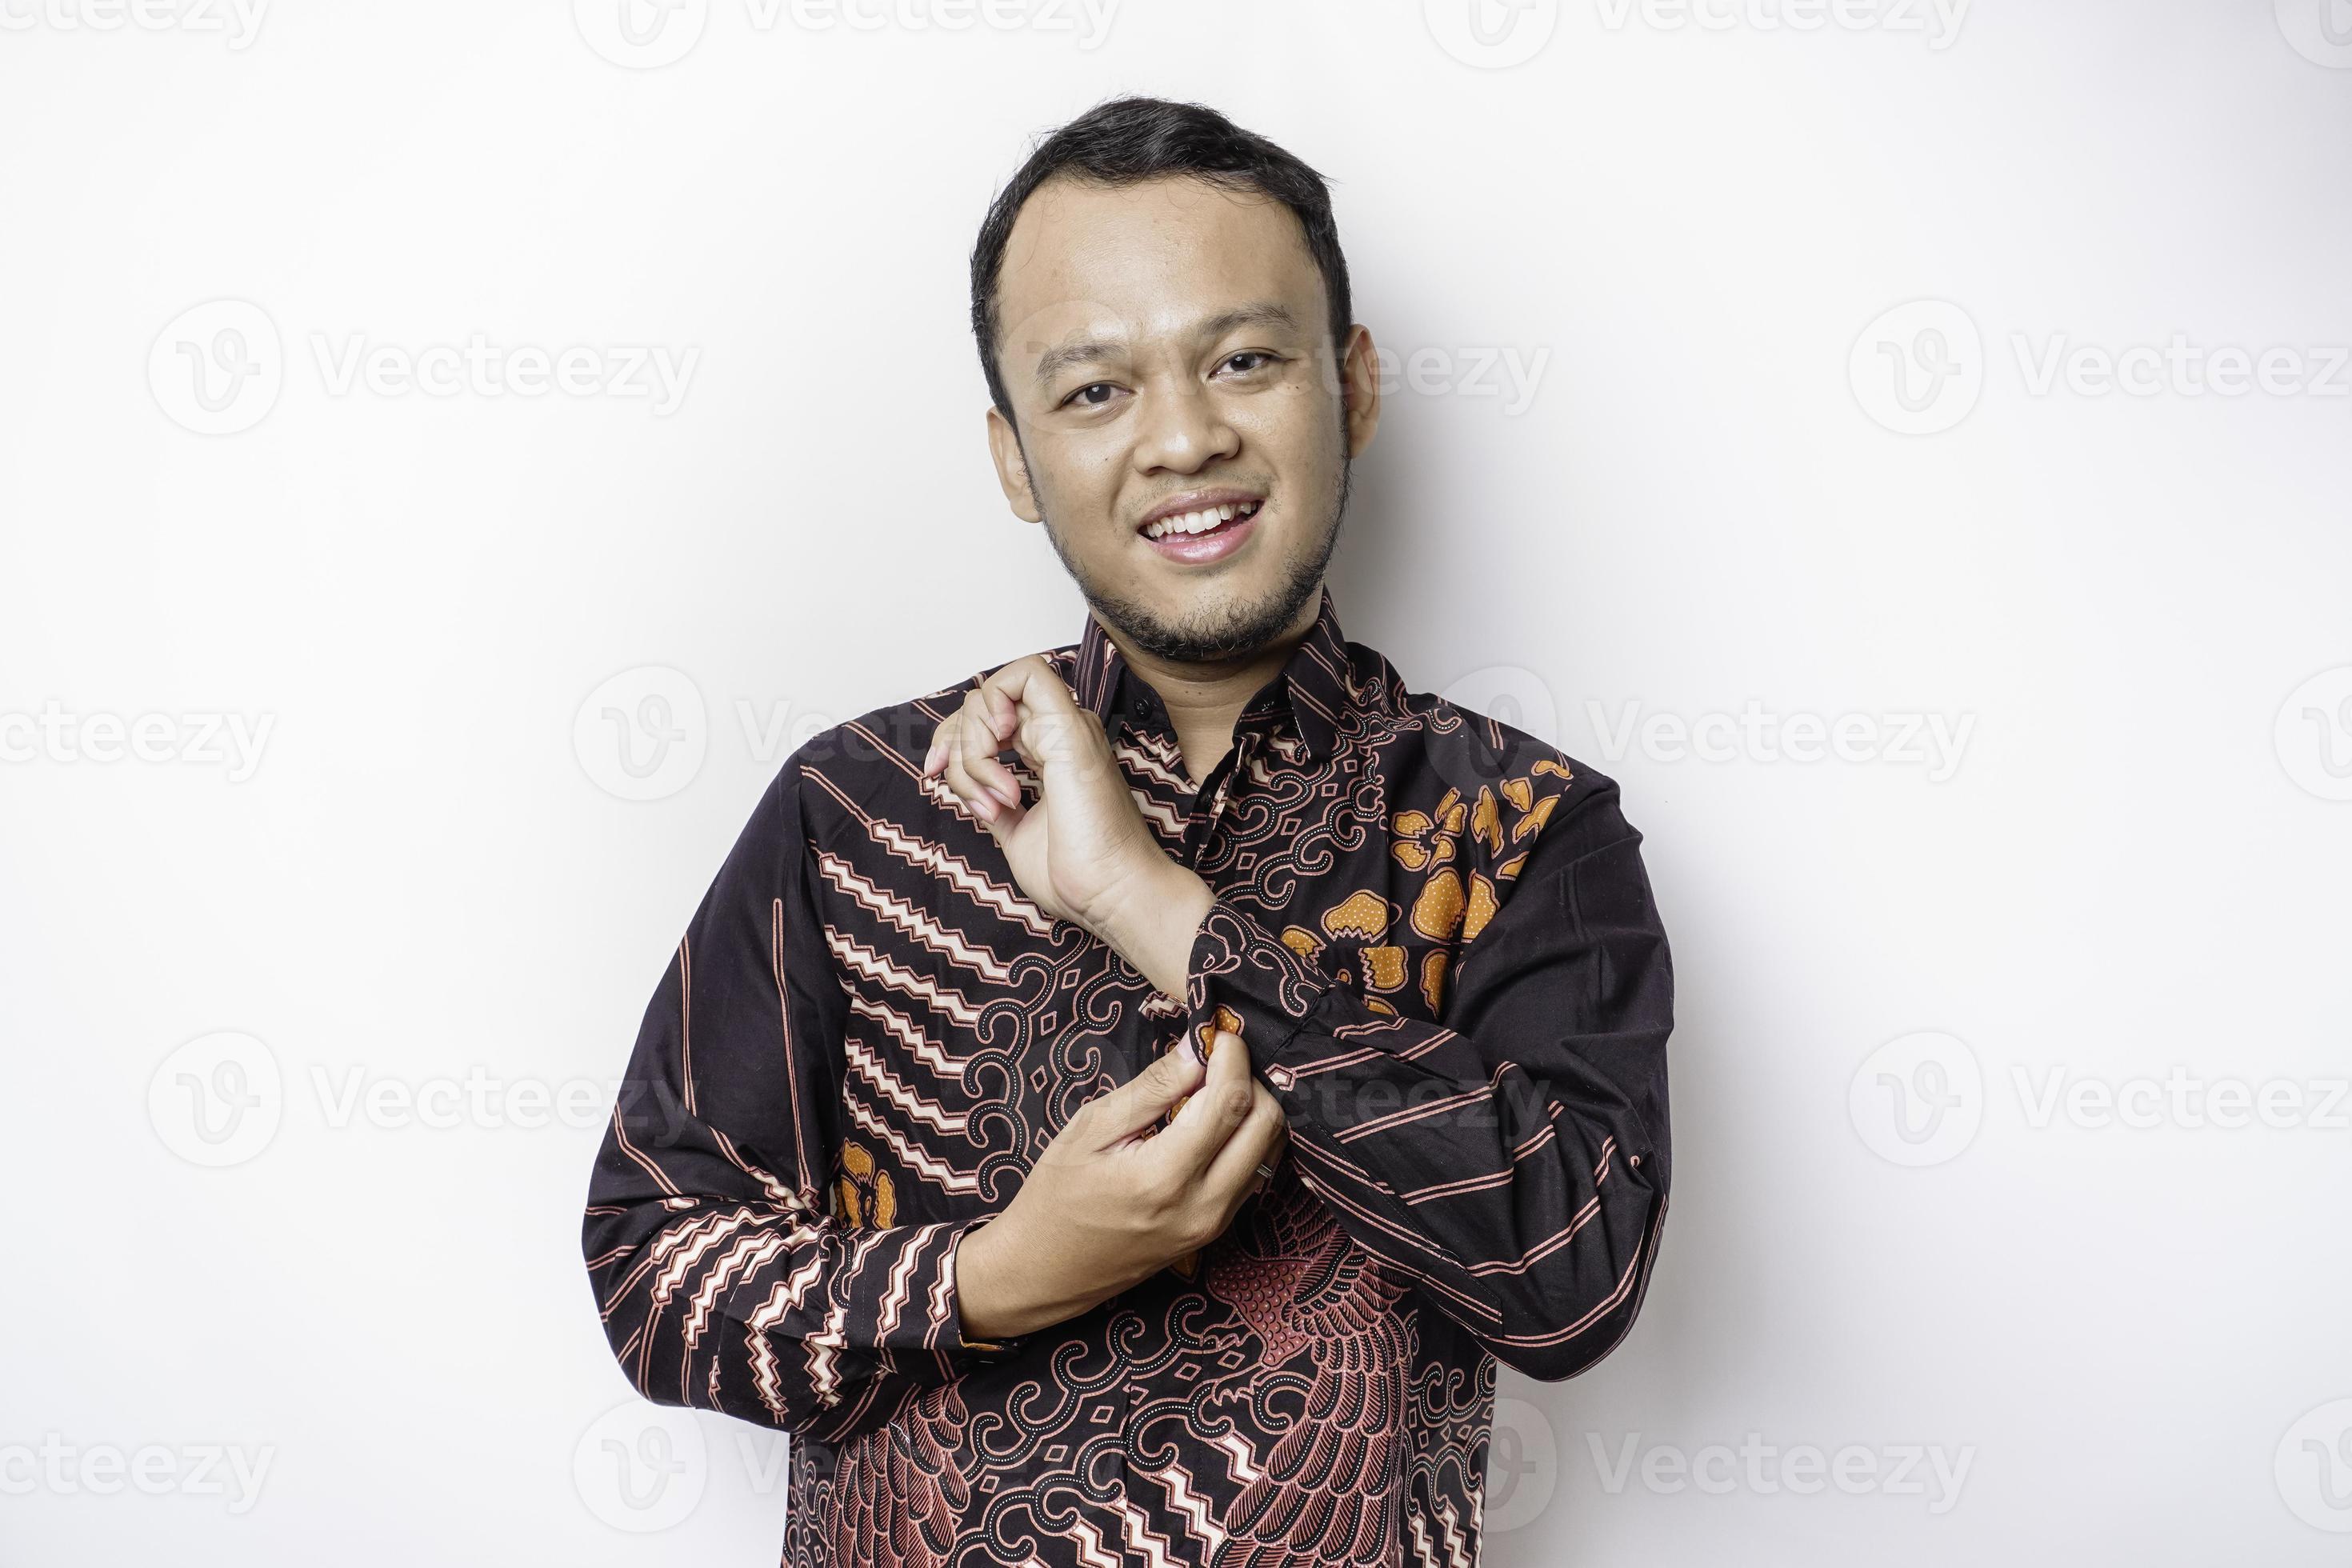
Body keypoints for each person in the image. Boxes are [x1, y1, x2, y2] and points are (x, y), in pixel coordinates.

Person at [582, 94, 1674, 1567]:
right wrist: (984, 1281)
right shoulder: (859, 812)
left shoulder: (1517, 830)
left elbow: (1571, 1280)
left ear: (1350, 386)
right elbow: (655, 1268)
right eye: (1096, 390)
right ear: (1014, 456)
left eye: (1243, 359)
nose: (1183, 437)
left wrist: (1151, 904)